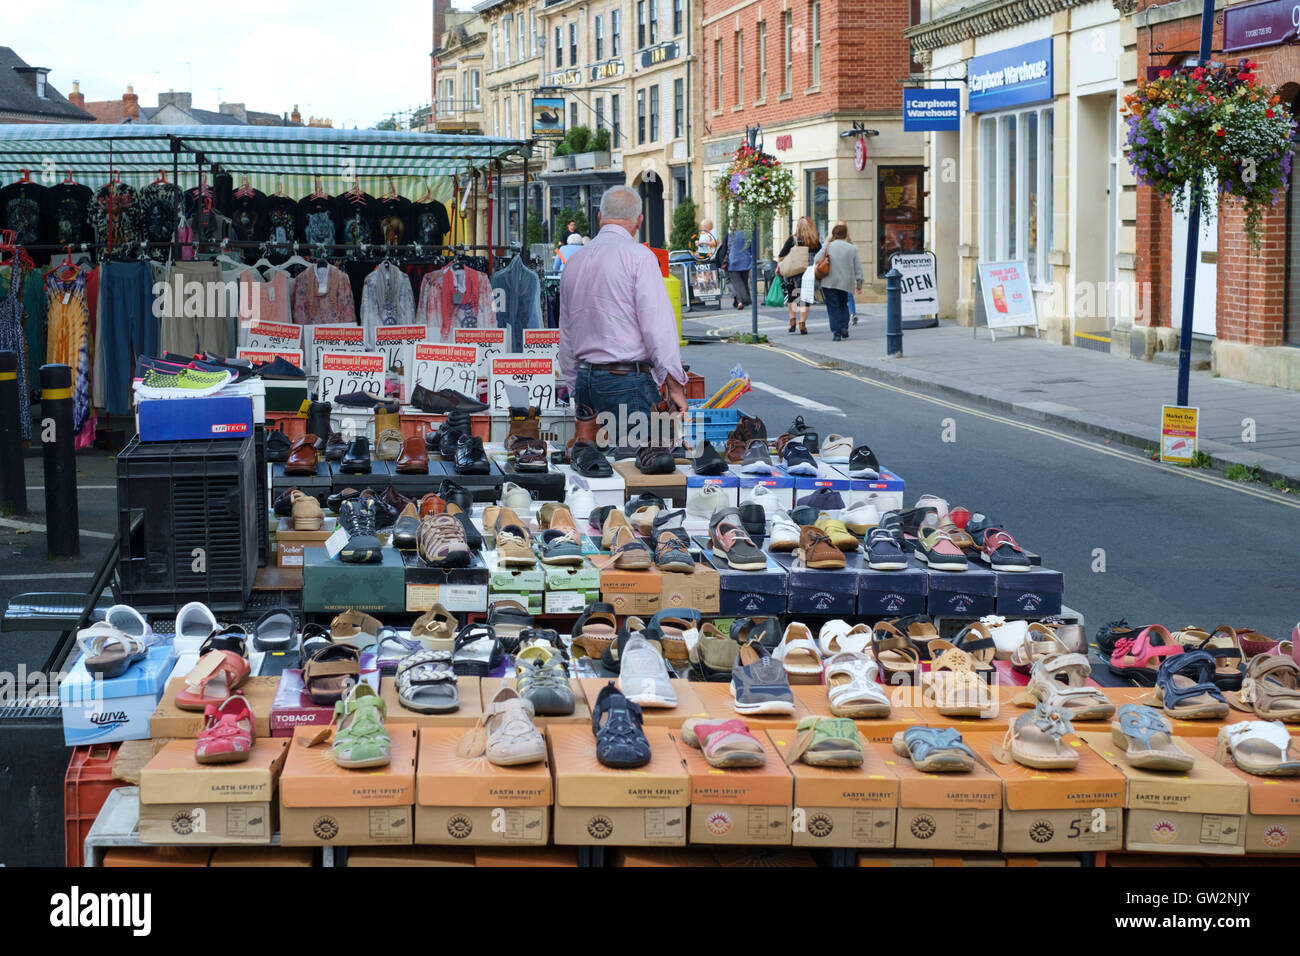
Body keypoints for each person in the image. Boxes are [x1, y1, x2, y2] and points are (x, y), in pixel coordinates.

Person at [559, 185, 688, 438]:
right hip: (627, 384)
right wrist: (674, 384)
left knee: (594, 467)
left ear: (599, 216)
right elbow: (657, 327)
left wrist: (575, 387)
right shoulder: (639, 257)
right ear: (639, 221)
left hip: (586, 378)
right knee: (641, 465)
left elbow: (566, 333)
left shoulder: (573, 262)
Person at [814, 223, 864, 342]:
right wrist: (859, 283)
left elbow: (816, 259)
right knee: (843, 305)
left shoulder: (827, 246)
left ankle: (836, 333)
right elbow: (858, 268)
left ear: (833, 234)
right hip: (845, 283)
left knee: (833, 307)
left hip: (829, 282)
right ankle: (844, 327)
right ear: (846, 234)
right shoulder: (852, 248)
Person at [777, 216, 821, 334]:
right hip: (808, 273)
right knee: (804, 298)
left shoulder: (793, 239)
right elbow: (820, 255)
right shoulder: (814, 240)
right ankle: (802, 323)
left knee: (792, 296)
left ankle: (792, 321)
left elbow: (781, 254)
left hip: (792, 273)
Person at [835, 220, 858, 325]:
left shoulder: (850, 243)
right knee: (843, 297)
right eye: (839, 226)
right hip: (837, 275)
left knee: (848, 295)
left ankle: (852, 314)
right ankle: (848, 316)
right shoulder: (831, 242)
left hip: (846, 274)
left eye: (842, 226)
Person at [723, 227, 752, 310]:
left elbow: (727, 247)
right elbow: (751, 249)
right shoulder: (748, 234)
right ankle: (744, 300)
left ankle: (742, 301)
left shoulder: (731, 235)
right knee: (744, 281)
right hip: (746, 261)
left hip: (734, 261)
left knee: (737, 284)